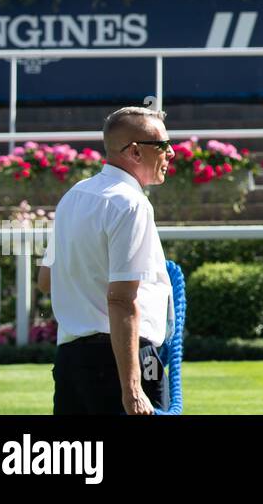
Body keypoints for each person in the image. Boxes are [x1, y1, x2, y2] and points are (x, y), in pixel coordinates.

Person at [38, 106, 175, 415]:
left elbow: (46, 280)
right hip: (124, 360)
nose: (171, 153)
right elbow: (122, 300)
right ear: (136, 152)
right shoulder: (132, 204)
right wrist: (132, 389)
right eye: (163, 145)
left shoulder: (73, 196)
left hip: (72, 362)